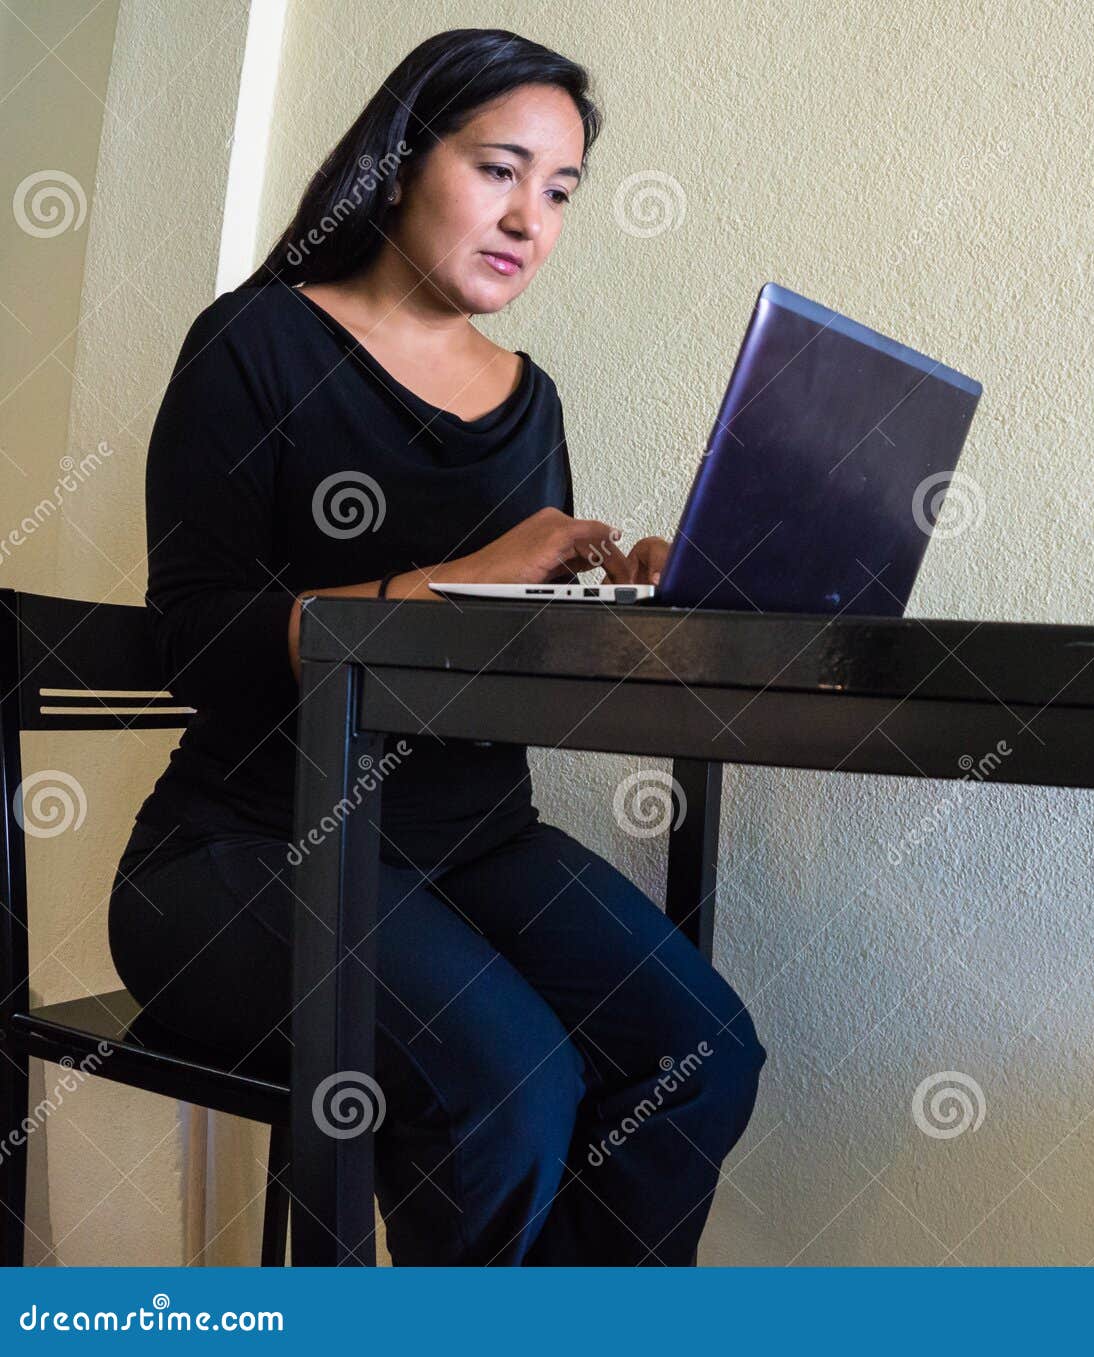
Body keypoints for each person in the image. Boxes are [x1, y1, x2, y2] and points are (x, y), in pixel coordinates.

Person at [106, 27, 767, 1266]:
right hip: (244, 847)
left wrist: (621, 597)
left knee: (700, 1053)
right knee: (506, 1082)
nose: (530, 217)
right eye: (499, 169)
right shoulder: (257, 343)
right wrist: (461, 574)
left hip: (472, 842)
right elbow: (201, 642)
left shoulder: (531, 397)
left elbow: (511, 656)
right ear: (404, 159)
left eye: (560, 192)